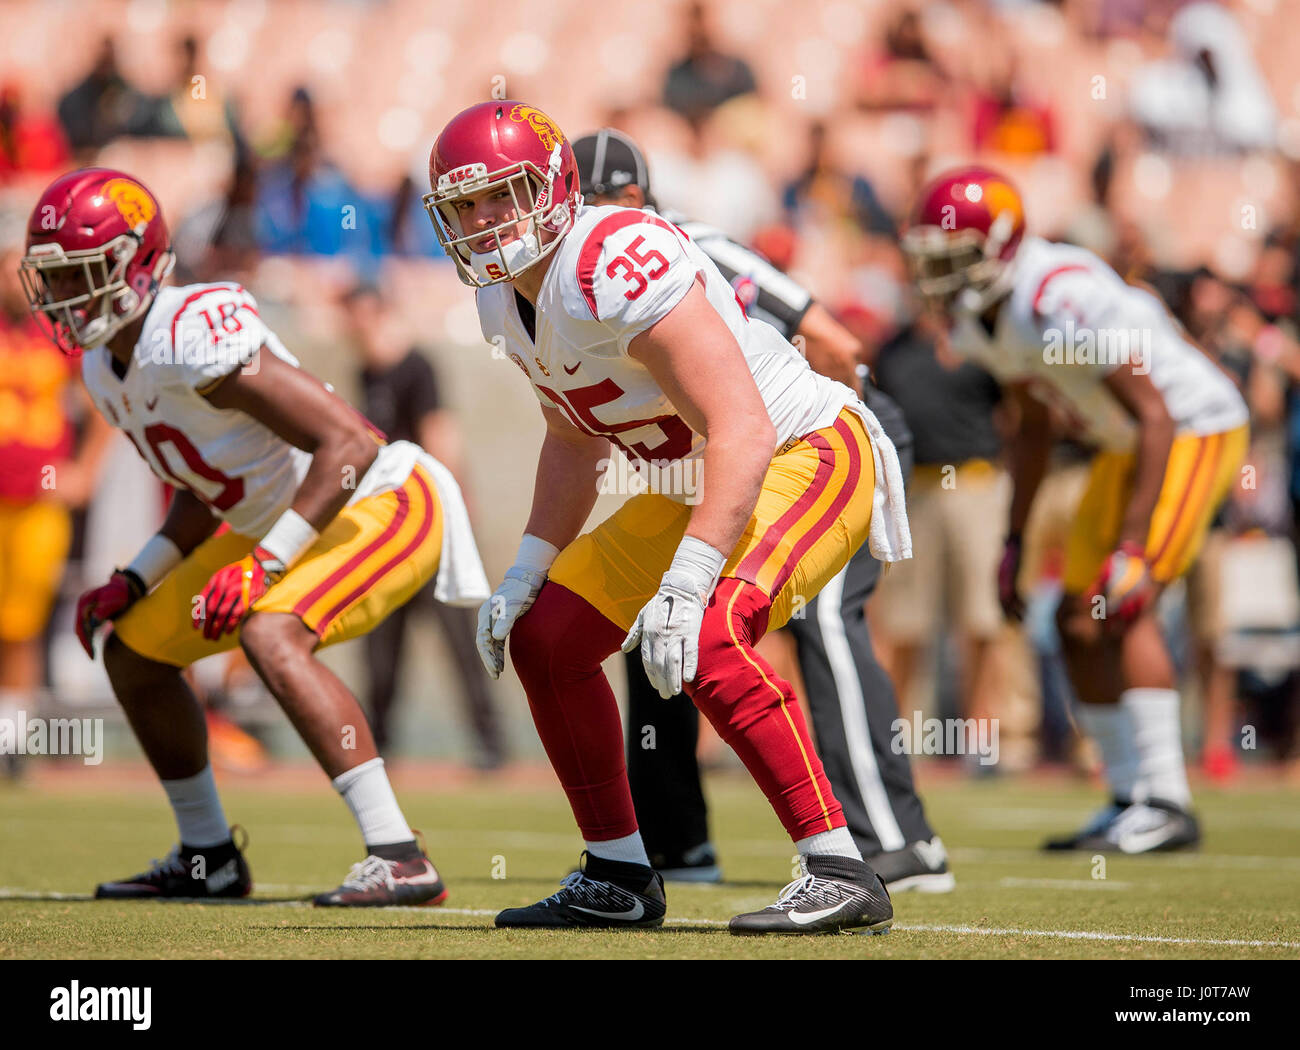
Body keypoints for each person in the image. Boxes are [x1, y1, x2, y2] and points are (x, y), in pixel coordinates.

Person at [426, 101, 910, 934]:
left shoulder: (613, 257)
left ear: (554, 188)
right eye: (464, 206)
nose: (484, 222)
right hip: (693, 479)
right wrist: (526, 567)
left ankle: (838, 865)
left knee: (710, 634)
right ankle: (618, 874)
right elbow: (574, 442)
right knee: (549, 638)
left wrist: (688, 580)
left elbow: (744, 426)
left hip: (804, 451)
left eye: (501, 196)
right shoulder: (503, 301)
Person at [20, 167, 488, 903]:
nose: (67, 297)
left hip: (380, 498)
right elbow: (207, 488)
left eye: (83, 273)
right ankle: (209, 857)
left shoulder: (190, 330)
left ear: (137, 263)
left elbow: (350, 442)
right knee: (135, 652)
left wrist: (265, 566)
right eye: (55, 278)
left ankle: (401, 855)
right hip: (281, 520)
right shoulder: (106, 370)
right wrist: (137, 577)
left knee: (270, 633)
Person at [572, 127, 951, 891]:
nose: (576, 225)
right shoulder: (573, 282)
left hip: (817, 439)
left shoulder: (683, 244)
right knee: (661, 629)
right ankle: (679, 843)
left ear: (631, 204)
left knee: (823, 624)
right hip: (722, 463)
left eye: (588, 206)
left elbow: (833, 343)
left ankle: (894, 840)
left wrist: (848, 445)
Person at [902, 166, 1249, 853]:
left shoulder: (1059, 296)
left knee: (1125, 600)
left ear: (1002, 246)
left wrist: (1131, 546)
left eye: (957, 258)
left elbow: (1155, 414)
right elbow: (1031, 429)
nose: (943, 276)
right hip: (1127, 445)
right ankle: (1127, 798)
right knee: (1073, 618)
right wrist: (1015, 539)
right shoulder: (984, 321)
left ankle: (1168, 801)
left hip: (1190, 426)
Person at [340, 282, 507, 767]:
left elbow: (440, 435)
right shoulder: (364, 372)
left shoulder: (416, 367)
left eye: (365, 319)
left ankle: (491, 745)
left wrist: (459, 510)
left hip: (428, 524)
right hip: (387, 530)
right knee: (382, 646)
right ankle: (379, 746)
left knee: (459, 637)